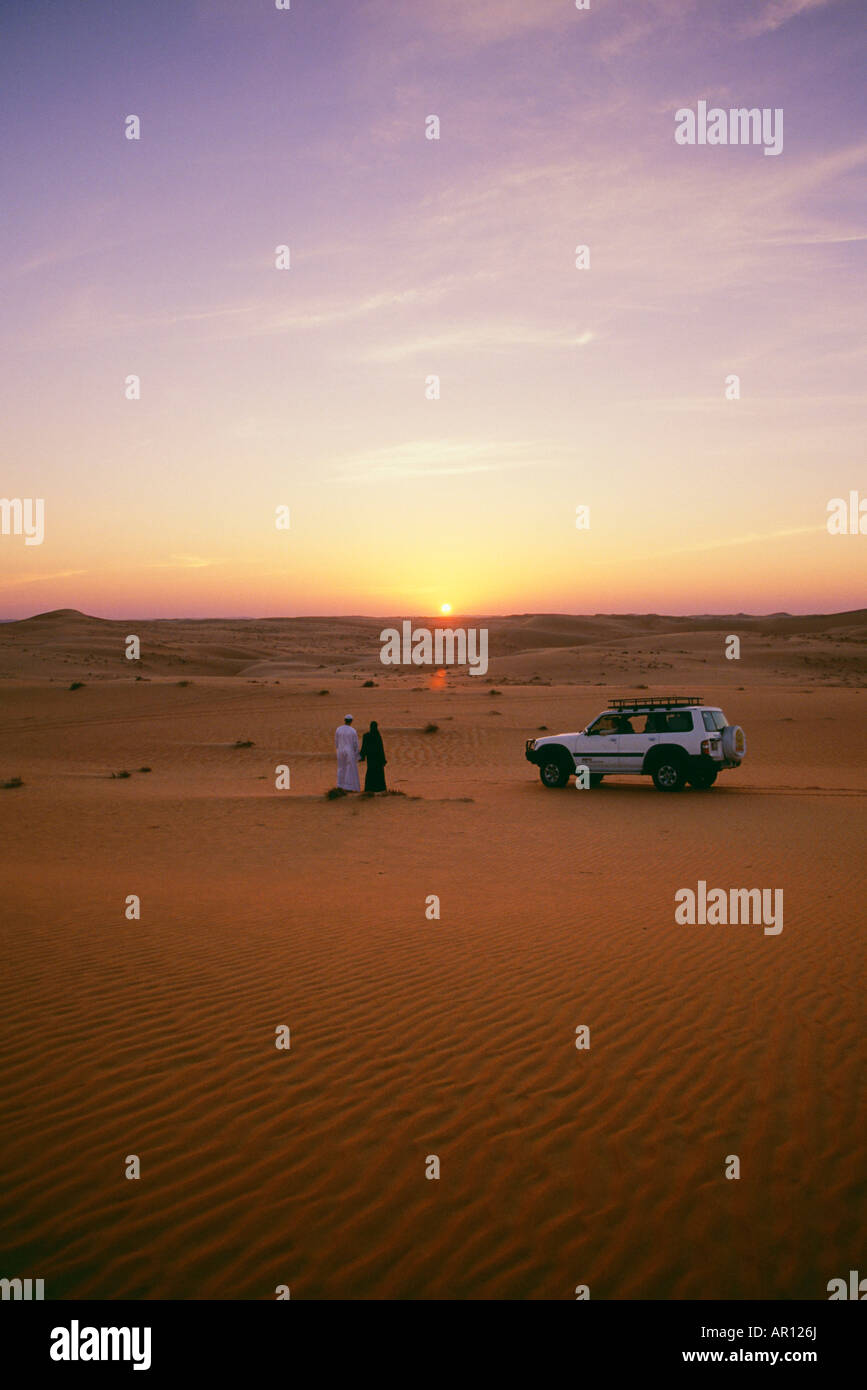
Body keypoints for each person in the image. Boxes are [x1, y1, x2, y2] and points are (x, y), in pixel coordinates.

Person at [360, 719, 387, 793]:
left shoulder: (366, 736)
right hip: (378, 759)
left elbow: (364, 747)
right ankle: (379, 789)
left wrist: (362, 756)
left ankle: (369, 789)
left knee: (370, 772)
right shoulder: (378, 736)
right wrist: (383, 760)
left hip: (371, 759)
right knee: (378, 773)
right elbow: (381, 748)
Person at [335, 715, 361, 791]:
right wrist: (357, 755)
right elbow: (355, 743)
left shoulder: (338, 729)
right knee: (350, 768)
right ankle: (349, 787)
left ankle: (340, 785)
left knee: (341, 767)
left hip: (340, 751)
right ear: (351, 721)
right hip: (350, 752)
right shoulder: (352, 730)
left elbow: (336, 742)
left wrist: (338, 749)